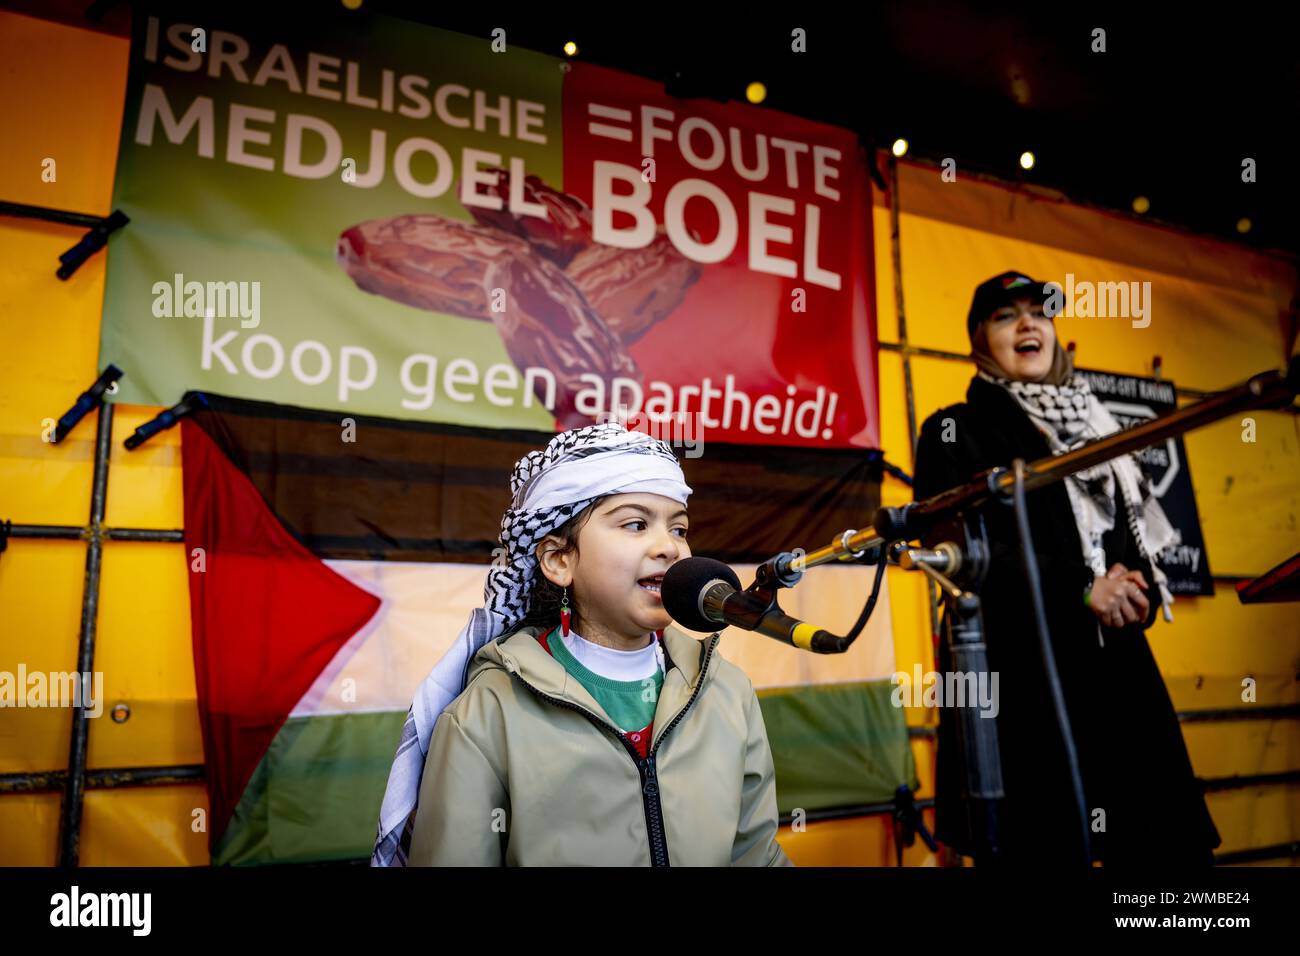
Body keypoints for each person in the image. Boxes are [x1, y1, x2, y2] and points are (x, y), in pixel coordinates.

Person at [371, 422, 792, 866]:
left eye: (680, 529)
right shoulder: (488, 713)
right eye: (635, 523)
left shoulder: (729, 692)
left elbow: (755, 854)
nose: (668, 547)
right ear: (559, 560)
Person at [913, 270, 1221, 866]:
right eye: (1006, 316)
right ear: (980, 339)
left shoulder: (1097, 426)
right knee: (1046, 848)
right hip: (1026, 687)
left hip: (1121, 679)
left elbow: (1133, 541)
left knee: (1165, 860)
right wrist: (1082, 590)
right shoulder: (955, 430)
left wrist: (1136, 591)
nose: (1028, 324)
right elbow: (959, 553)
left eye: (1039, 312)